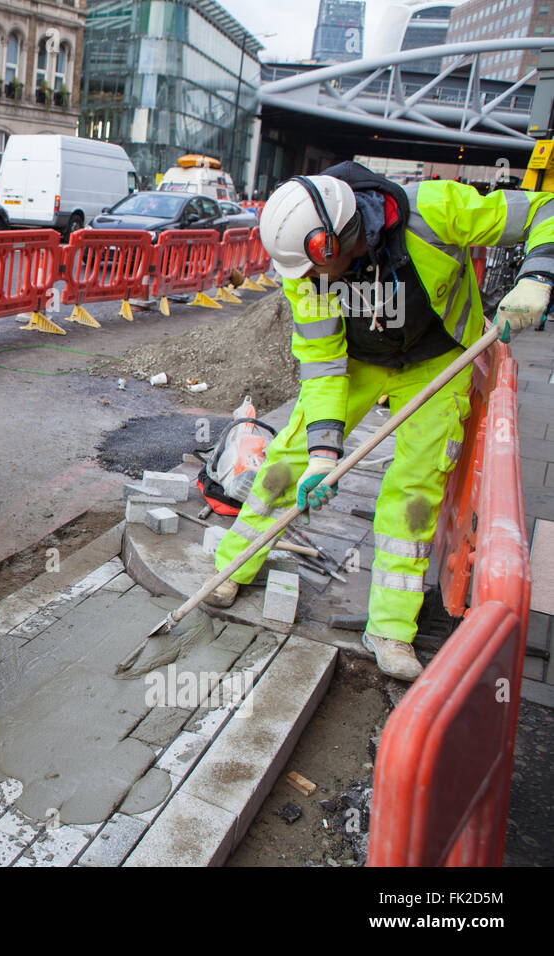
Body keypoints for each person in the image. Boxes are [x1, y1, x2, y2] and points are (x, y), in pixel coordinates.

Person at [209, 162, 554, 681]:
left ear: (334, 243)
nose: (304, 285)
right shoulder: (308, 275)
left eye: (310, 274)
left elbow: (545, 211)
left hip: (438, 361)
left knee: (415, 490)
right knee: (287, 462)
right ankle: (236, 563)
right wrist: (324, 457)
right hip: (358, 362)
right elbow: (323, 367)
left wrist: (538, 276)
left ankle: (391, 628)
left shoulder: (435, 212)